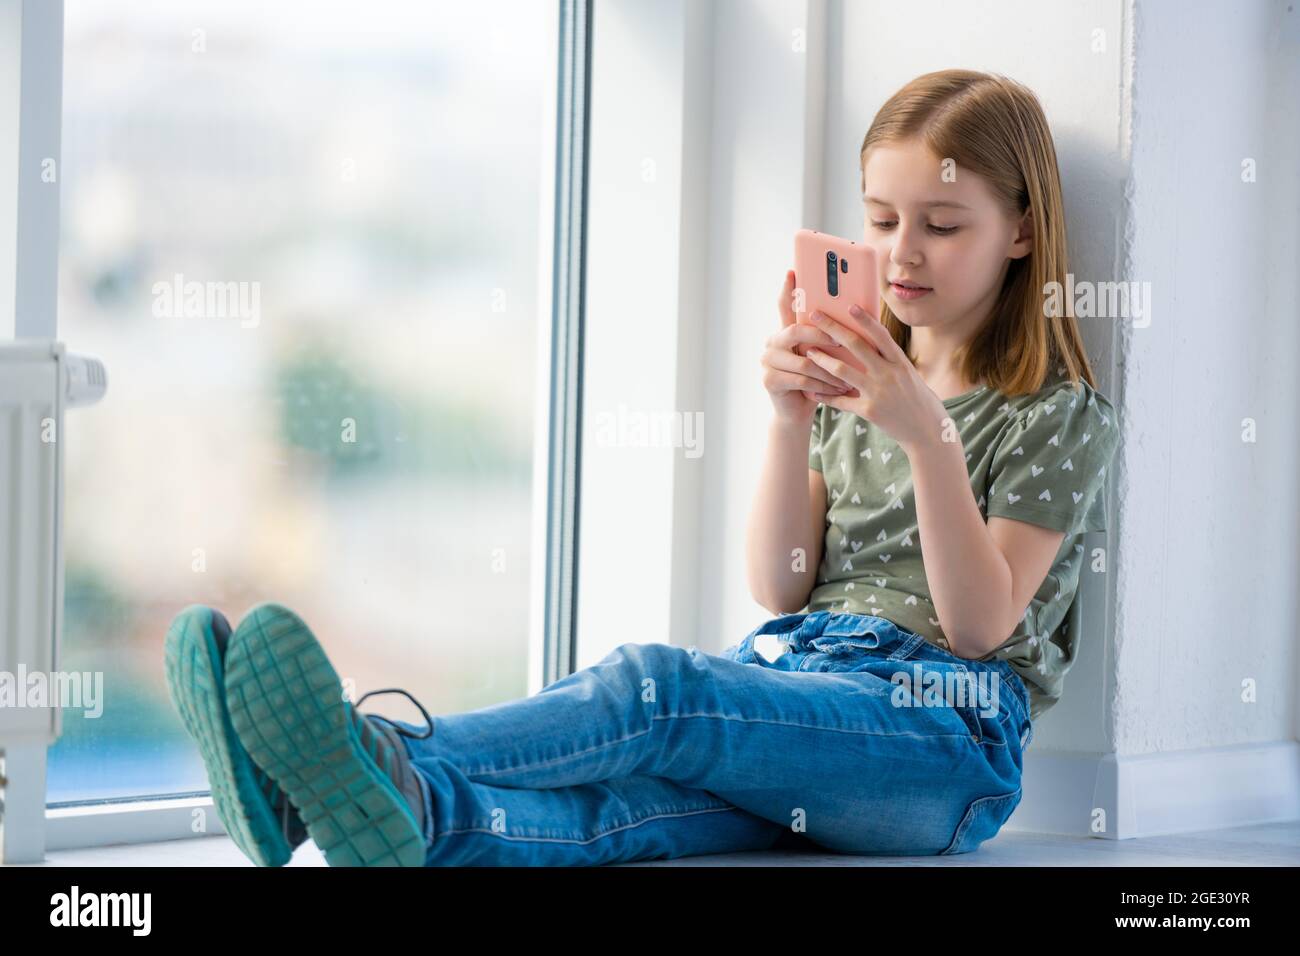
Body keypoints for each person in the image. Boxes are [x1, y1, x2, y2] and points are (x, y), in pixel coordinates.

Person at [164, 68, 1120, 867]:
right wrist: (789, 422)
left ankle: (372, 748)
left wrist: (928, 438)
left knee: (652, 690)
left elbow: (981, 625)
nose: (901, 252)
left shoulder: (1054, 415)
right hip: (806, 688)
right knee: (626, 810)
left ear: (1022, 233)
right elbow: (783, 589)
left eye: (942, 225)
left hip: (942, 746)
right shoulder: (862, 384)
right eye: (879, 220)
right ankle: (404, 815)